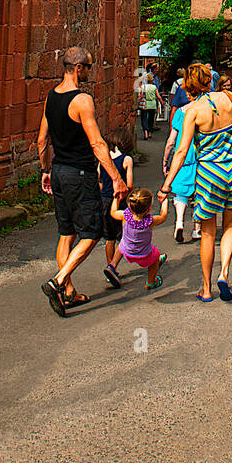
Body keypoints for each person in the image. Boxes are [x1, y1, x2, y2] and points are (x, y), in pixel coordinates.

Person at [38, 46, 128, 316]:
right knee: (91, 233)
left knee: (66, 234)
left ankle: (69, 293)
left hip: (58, 171)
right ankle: (58, 281)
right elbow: (98, 143)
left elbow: (42, 140)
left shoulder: (51, 97)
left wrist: (45, 170)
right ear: (78, 69)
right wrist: (116, 178)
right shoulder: (82, 100)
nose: (90, 71)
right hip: (79, 174)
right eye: (89, 67)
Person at [159, 62, 232, 302]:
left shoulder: (192, 111)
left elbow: (182, 151)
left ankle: (206, 288)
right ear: (210, 79)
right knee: (231, 225)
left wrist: (167, 185)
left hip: (208, 174)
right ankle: (224, 273)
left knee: (207, 232)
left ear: (189, 85)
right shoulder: (229, 97)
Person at [104, 188, 169, 290]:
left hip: (126, 251)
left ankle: (112, 265)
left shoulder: (125, 216)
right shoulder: (150, 221)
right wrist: (165, 201)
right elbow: (163, 216)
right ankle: (151, 282)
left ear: (130, 205)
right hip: (143, 255)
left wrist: (116, 198)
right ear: (149, 208)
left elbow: (113, 212)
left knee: (122, 243)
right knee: (155, 257)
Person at [162, 94, 198, 244]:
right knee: (198, 192)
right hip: (199, 155)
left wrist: (165, 160)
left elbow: (171, 140)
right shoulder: (204, 109)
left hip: (181, 156)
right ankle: (197, 228)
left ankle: (179, 223)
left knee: (179, 191)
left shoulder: (180, 112)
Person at [97, 130, 134, 270]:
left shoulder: (103, 160)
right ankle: (114, 265)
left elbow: (99, 182)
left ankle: (110, 266)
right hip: (121, 202)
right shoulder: (126, 159)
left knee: (109, 238)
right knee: (126, 235)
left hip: (105, 201)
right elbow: (129, 184)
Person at [141, 70, 159, 139]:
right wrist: (161, 102)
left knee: (144, 118)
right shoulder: (154, 87)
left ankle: (145, 132)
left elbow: (141, 95)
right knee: (151, 119)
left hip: (145, 104)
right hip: (153, 104)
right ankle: (150, 132)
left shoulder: (143, 87)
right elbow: (158, 96)